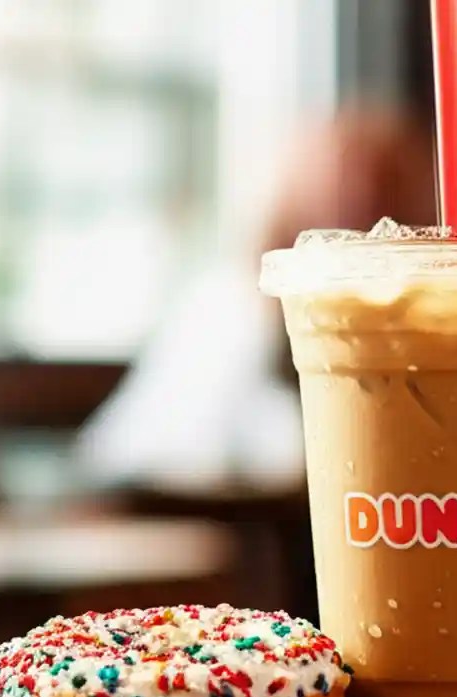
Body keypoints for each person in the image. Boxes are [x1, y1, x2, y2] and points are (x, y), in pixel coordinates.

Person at [76, 106, 435, 489]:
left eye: (381, 197)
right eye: (341, 198)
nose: (360, 211)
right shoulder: (231, 313)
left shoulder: (433, 335)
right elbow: (145, 459)